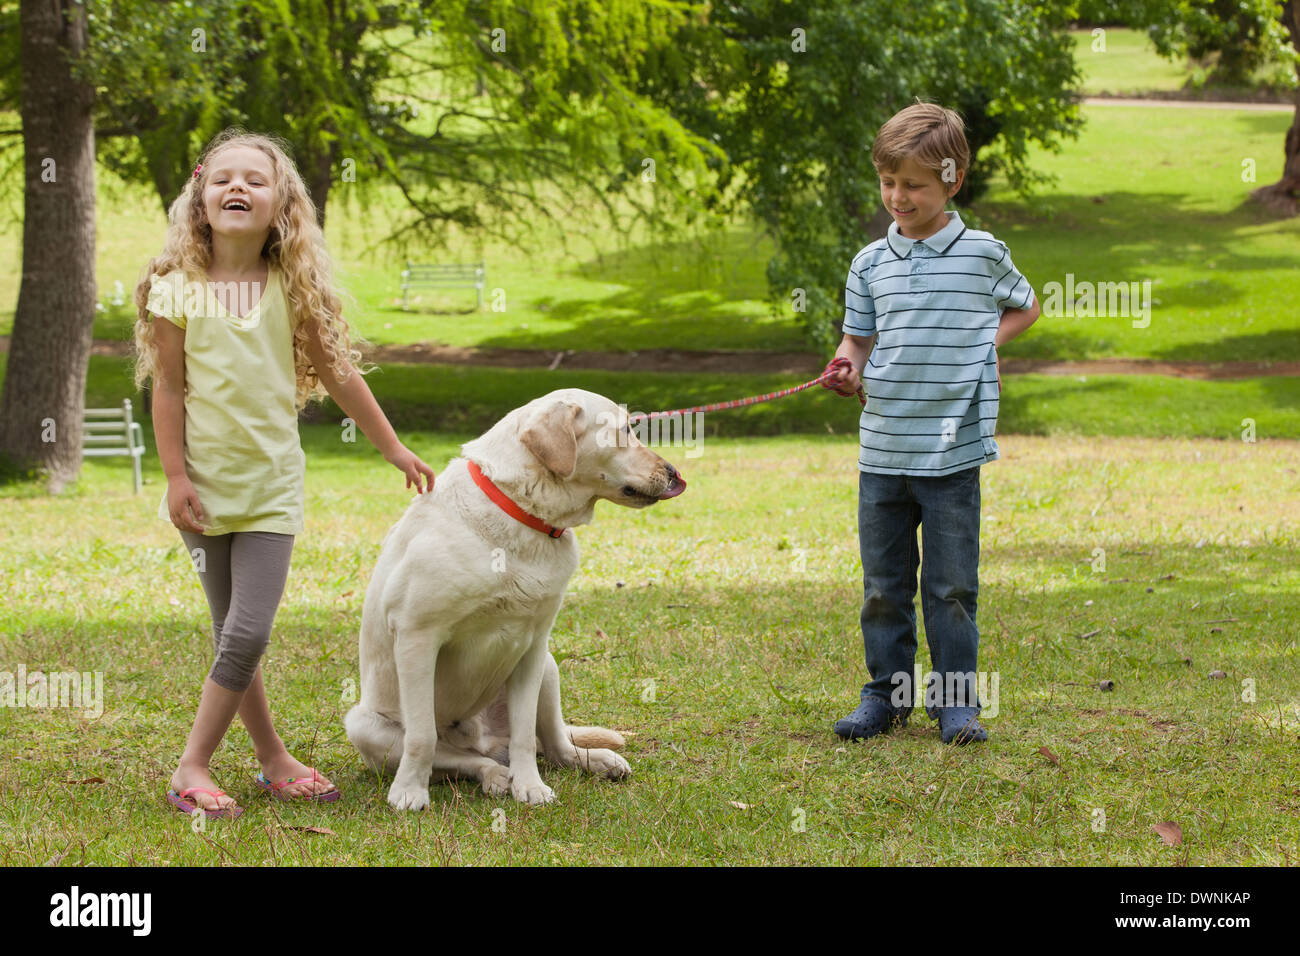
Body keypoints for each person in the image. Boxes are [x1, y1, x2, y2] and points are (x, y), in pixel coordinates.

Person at [133, 129, 436, 817]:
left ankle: (195, 764)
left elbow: (340, 374)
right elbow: (168, 391)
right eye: (223, 179)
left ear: (281, 204)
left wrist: (392, 447)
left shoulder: (290, 289)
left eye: (256, 180)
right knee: (233, 632)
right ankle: (265, 760)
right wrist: (176, 479)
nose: (238, 188)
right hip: (204, 494)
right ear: (201, 196)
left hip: (270, 491)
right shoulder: (176, 290)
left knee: (247, 631)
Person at [824, 102, 1039, 745]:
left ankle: (955, 705)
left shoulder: (982, 254)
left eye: (914, 184)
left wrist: (984, 348)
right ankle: (886, 700)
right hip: (883, 450)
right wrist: (843, 367)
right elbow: (855, 343)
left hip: (952, 456)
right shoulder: (869, 263)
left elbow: (1026, 307)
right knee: (884, 587)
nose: (898, 196)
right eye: (889, 182)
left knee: (949, 588)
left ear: (951, 180)